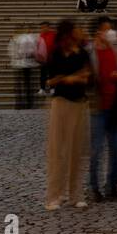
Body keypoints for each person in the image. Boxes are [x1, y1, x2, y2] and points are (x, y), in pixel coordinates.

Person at [44, 19, 91, 210]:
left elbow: (87, 76)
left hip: (79, 104)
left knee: (76, 152)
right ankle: (54, 196)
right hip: (61, 103)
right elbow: (49, 82)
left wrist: (77, 78)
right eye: (74, 31)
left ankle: (75, 194)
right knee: (58, 152)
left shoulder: (83, 53)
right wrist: (67, 78)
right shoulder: (56, 54)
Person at [88, 17, 117, 201]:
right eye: (106, 29)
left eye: (111, 29)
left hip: (116, 107)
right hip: (98, 107)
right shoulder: (89, 53)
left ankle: (112, 186)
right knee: (96, 151)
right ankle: (94, 188)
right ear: (98, 32)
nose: (110, 33)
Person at [9, 29, 40, 109]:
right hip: (25, 64)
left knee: (21, 85)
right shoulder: (26, 39)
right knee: (26, 84)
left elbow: (12, 52)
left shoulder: (17, 39)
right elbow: (33, 50)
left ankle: (20, 103)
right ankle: (27, 103)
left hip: (20, 64)